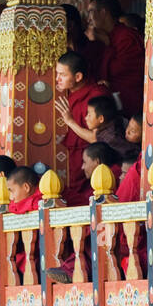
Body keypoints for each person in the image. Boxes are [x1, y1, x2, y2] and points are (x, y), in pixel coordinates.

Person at [52, 52, 110, 206]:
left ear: (78, 77)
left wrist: (70, 122)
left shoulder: (96, 95)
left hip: (92, 160)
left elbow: (95, 138)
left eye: (62, 75)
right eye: (57, 74)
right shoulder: (69, 93)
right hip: (74, 161)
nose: (57, 79)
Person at [86, 0, 144, 113]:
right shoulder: (99, 37)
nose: (88, 19)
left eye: (90, 12)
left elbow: (118, 70)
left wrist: (107, 44)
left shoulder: (126, 36)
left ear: (103, 12)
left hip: (128, 101)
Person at [59, 92, 136, 159]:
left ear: (101, 119)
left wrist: (70, 121)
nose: (86, 118)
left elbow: (94, 139)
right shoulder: (111, 122)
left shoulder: (111, 137)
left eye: (89, 115)